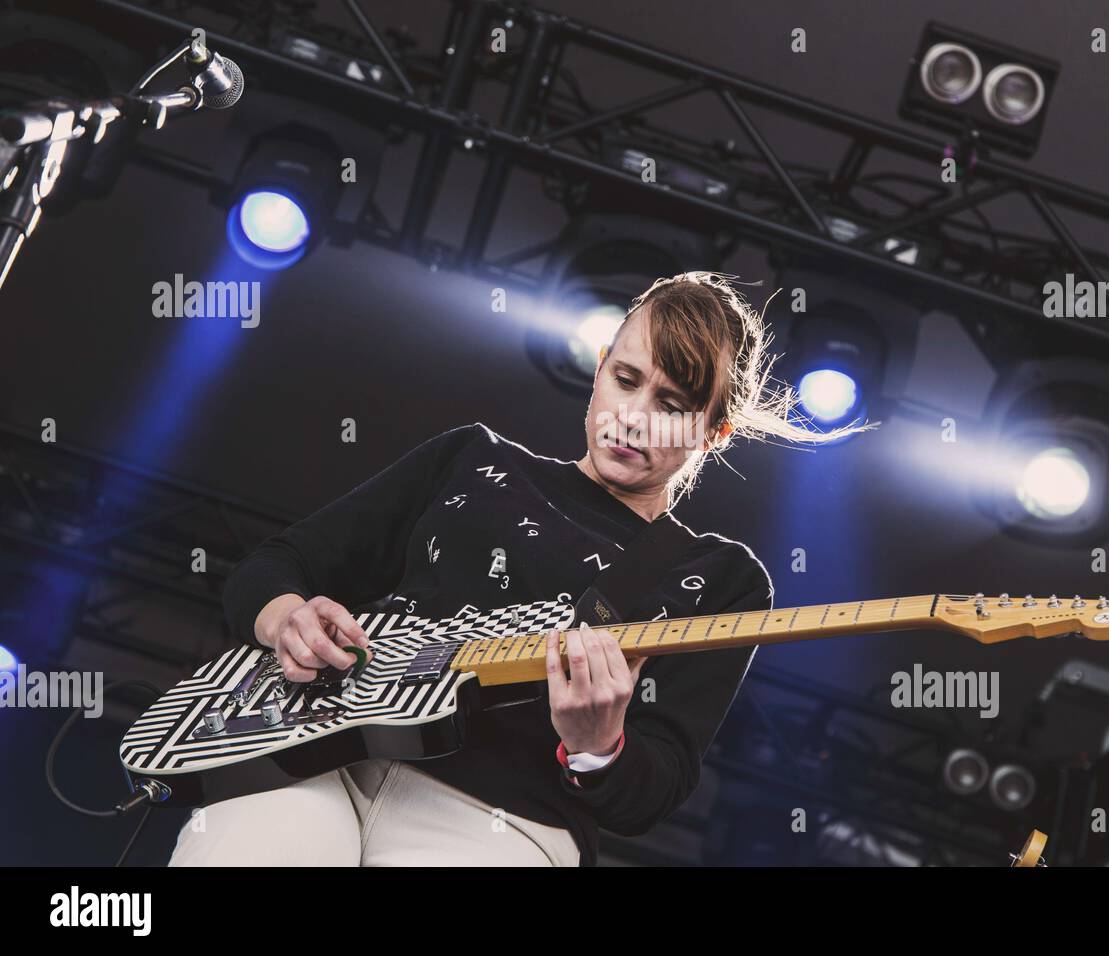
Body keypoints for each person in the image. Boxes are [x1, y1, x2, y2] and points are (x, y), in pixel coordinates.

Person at [170, 271, 857, 866]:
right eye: (626, 379)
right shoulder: (471, 456)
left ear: (714, 433)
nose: (634, 418)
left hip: (497, 820)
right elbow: (276, 564)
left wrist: (599, 744)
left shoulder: (719, 577)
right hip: (317, 754)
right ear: (601, 365)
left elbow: (657, 786)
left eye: (672, 406)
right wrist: (288, 616)